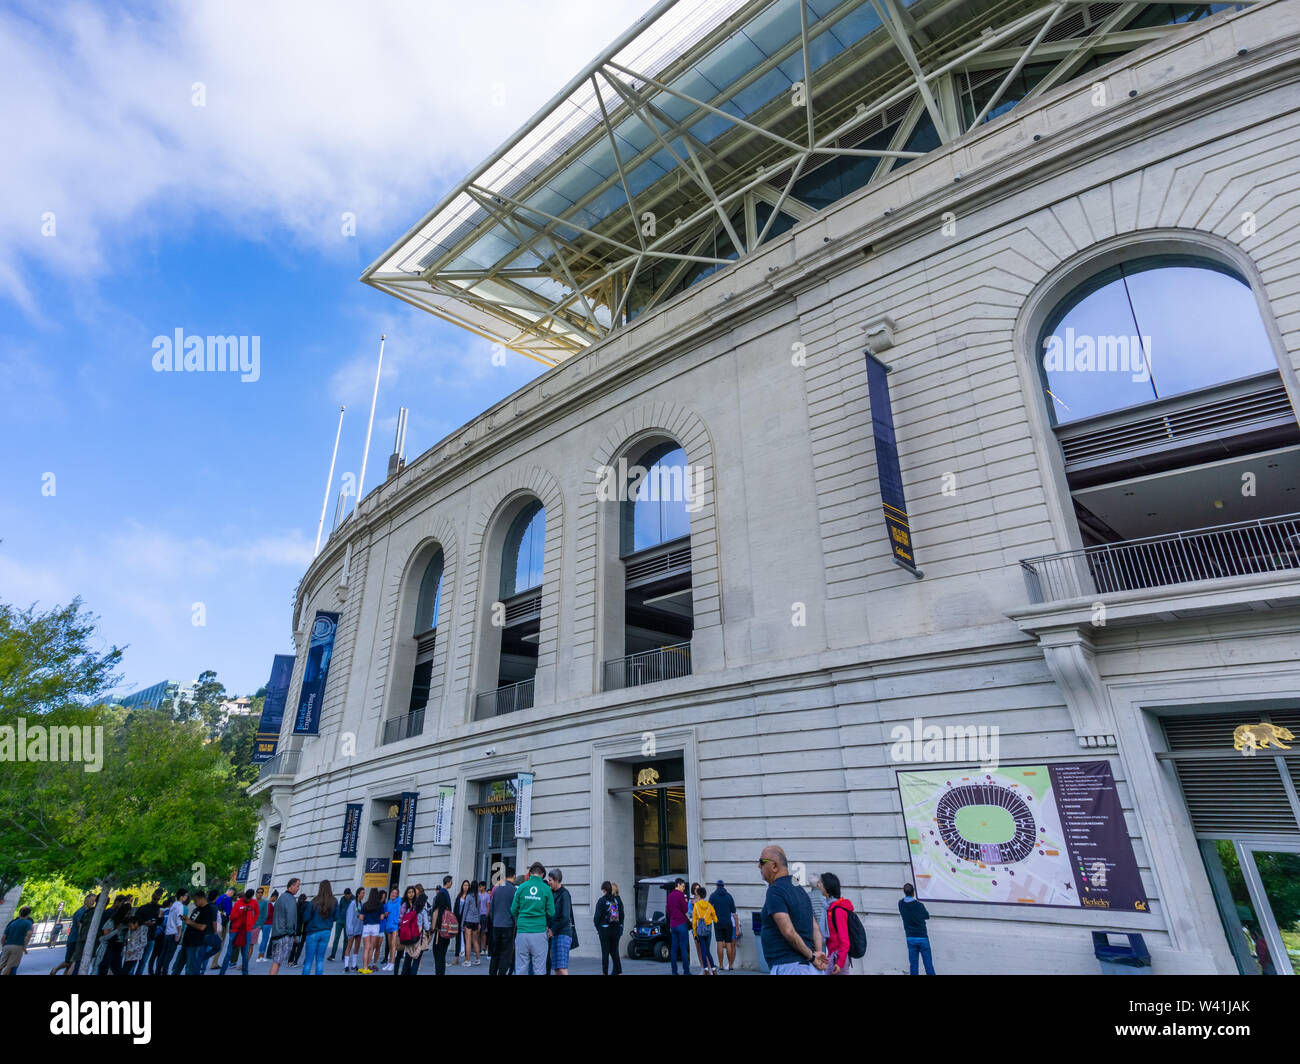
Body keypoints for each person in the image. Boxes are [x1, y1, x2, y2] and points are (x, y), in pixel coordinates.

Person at [758, 845, 827, 975]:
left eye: (762, 862)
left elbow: (788, 931)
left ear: (774, 866)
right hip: (808, 968)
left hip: (790, 967)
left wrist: (813, 957)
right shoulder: (800, 890)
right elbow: (815, 928)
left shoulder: (775, 890)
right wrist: (817, 956)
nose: (759, 866)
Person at [510, 862, 554, 975]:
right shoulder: (546, 889)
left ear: (530, 873)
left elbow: (513, 910)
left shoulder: (521, 887)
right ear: (542, 874)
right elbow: (551, 912)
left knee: (521, 968)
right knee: (539, 969)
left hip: (522, 932)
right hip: (539, 932)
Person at [51, 893, 96, 976]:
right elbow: (80, 926)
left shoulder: (88, 912)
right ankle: (55, 969)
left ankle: (61, 971)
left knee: (72, 963)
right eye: (91, 900)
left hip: (76, 939)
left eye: (94, 901)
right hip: (74, 939)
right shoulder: (81, 912)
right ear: (86, 900)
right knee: (69, 961)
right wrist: (82, 939)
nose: (93, 903)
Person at [298, 880, 336, 975]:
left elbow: (306, 917)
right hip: (326, 932)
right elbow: (336, 917)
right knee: (320, 960)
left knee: (308, 961)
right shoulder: (334, 901)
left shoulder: (314, 901)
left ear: (320, 888)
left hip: (313, 932)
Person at [821, 872, 854, 975]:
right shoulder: (829, 908)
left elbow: (845, 941)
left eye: (821, 883)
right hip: (832, 956)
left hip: (838, 958)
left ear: (827, 888)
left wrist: (839, 963)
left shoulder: (838, 910)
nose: (819, 885)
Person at [220, 889, 260, 975]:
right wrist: (243, 911)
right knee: (229, 953)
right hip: (236, 930)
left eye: (249, 899)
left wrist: (252, 923)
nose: (248, 901)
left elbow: (257, 913)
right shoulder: (238, 903)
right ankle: (222, 972)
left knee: (245, 954)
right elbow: (232, 917)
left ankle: (245, 973)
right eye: (247, 898)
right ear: (244, 896)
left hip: (247, 931)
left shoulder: (254, 902)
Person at [899, 883, 934, 975]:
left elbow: (903, 901)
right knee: (928, 966)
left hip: (910, 938)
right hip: (922, 938)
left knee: (913, 966)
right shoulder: (919, 905)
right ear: (913, 893)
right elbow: (927, 916)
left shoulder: (901, 904)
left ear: (904, 892)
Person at [268, 878, 300, 975]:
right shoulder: (290, 899)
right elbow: (291, 919)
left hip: (277, 933)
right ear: (291, 886)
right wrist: (293, 934)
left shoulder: (281, 898)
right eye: (297, 885)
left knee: (276, 962)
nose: (298, 888)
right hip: (283, 935)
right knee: (277, 963)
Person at [181, 892, 218, 976]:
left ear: (201, 898)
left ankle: (202, 971)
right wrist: (187, 920)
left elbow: (209, 924)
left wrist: (215, 934)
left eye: (195, 900)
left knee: (193, 965)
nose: (194, 902)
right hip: (189, 941)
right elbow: (193, 922)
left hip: (201, 939)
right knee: (188, 965)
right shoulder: (198, 908)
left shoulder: (210, 908)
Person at [395, 885, 430, 976]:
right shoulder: (423, 911)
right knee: (416, 961)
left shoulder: (411, 909)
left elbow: (402, 920)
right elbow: (426, 926)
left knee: (408, 958)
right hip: (419, 936)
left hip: (410, 935)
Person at [487, 871, 517, 975]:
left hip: (496, 925)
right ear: (514, 876)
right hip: (508, 926)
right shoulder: (514, 890)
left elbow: (491, 910)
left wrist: (494, 921)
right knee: (506, 955)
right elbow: (514, 911)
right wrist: (514, 923)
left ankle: (492, 973)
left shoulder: (497, 890)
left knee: (495, 954)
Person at [546, 869, 575, 975]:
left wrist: (553, 930)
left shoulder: (565, 894)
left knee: (562, 968)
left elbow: (565, 917)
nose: (548, 883)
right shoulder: (552, 893)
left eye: (550, 880)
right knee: (557, 968)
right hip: (555, 933)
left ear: (557, 880)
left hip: (563, 934)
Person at [97, 897, 133, 975]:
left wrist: (129, 931)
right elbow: (104, 937)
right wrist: (116, 930)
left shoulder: (126, 923)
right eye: (127, 913)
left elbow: (128, 938)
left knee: (118, 970)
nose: (128, 915)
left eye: (129, 914)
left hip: (118, 948)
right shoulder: (112, 921)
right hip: (109, 948)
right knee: (103, 969)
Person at [593, 881, 623, 976]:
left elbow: (596, 918)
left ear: (604, 889)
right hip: (615, 930)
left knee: (605, 953)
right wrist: (620, 926)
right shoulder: (617, 900)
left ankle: (604, 973)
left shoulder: (601, 900)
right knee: (614, 953)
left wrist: (599, 928)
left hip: (604, 930)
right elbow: (622, 915)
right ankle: (619, 972)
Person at [131, 889, 163, 975]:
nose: (156, 900)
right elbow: (135, 921)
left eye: (158, 899)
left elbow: (160, 922)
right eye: (155, 898)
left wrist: (160, 917)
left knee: (143, 961)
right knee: (134, 959)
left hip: (151, 937)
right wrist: (145, 923)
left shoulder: (159, 909)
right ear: (152, 896)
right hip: (140, 936)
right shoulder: (143, 908)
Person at [709, 881, 738, 972]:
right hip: (728, 922)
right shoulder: (729, 896)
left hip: (717, 922)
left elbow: (709, 908)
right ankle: (730, 965)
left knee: (719, 943)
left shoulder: (713, 896)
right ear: (724, 886)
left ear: (717, 886)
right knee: (728, 943)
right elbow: (733, 911)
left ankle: (721, 965)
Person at [429, 876, 454, 976]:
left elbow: (436, 912)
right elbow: (442, 912)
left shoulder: (441, 894)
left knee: (439, 954)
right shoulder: (444, 894)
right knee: (441, 954)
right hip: (444, 928)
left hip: (441, 929)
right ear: (448, 882)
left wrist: (434, 927)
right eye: (451, 882)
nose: (452, 883)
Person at [0, 905, 35, 975]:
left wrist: (4, 946)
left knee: (1, 965)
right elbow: (29, 934)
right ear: (28, 914)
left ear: (19, 913)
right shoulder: (28, 923)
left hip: (7, 946)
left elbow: (3, 937)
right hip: (17, 946)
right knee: (9, 967)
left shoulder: (12, 923)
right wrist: (24, 946)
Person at [691, 884, 718, 974]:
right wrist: (709, 919)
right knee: (707, 950)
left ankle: (706, 969)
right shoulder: (709, 905)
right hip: (708, 931)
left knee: (703, 950)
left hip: (700, 932)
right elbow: (715, 919)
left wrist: (695, 934)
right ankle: (713, 969)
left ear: (698, 895)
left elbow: (694, 923)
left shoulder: (696, 906)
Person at [359, 888, 386, 974]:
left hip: (367, 927)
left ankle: (364, 967)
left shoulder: (365, 905)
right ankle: (367, 966)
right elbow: (382, 917)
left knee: (366, 948)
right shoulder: (380, 905)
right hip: (375, 927)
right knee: (371, 948)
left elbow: (361, 917)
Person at [667, 878, 691, 975]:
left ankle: (674, 972)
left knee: (674, 949)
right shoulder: (681, 895)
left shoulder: (670, 896)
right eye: (683, 886)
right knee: (684, 948)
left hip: (673, 925)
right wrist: (685, 901)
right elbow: (685, 910)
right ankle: (686, 971)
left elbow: (668, 910)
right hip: (681, 924)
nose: (684, 888)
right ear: (678, 885)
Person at [211, 887, 236, 969]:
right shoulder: (228, 899)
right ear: (230, 891)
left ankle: (212, 962)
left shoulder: (220, 897)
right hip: (223, 923)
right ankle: (214, 963)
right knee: (220, 943)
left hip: (216, 922)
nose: (232, 895)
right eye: (232, 893)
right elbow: (229, 912)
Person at [458, 880, 481, 966]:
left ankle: (467, 960)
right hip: (475, 921)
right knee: (475, 941)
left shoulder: (468, 897)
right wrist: (478, 922)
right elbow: (479, 911)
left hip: (468, 920)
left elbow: (465, 910)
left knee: (468, 941)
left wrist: (462, 923)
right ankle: (478, 959)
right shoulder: (478, 897)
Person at [343, 884, 365, 972]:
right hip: (352, 929)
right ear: (358, 894)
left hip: (359, 929)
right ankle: (346, 966)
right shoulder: (352, 904)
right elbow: (349, 917)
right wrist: (350, 930)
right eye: (362, 893)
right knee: (349, 946)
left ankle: (354, 965)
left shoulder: (361, 904)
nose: (363, 895)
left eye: (364, 893)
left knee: (357, 947)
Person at [328, 888, 352, 963]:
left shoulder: (353, 900)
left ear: (349, 894)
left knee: (346, 939)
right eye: (344, 895)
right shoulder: (342, 898)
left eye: (346, 895)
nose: (345, 896)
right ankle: (332, 955)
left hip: (347, 922)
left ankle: (344, 956)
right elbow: (339, 908)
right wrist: (338, 917)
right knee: (336, 938)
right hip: (340, 921)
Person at [382, 887, 401, 971]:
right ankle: (389, 963)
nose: (393, 894)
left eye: (395, 893)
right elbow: (386, 913)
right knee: (390, 945)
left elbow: (400, 914)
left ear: (397, 894)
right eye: (392, 892)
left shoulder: (399, 902)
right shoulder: (389, 902)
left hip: (395, 926)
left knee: (393, 945)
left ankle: (392, 963)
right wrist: (386, 915)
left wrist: (396, 922)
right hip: (388, 926)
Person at [452, 880, 470, 964]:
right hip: (457, 920)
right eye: (464, 885)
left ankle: (466, 958)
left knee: (466, 940)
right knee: (458, 939)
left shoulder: (469, 897)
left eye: (467, 885)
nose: (465, 887)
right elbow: (455, 908)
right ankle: (456, 958)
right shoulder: (459, 896)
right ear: (462, 886)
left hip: (466, 920)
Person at [257, 890, 277, 961]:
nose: (275, 900)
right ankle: (259, 956)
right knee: (264, 940)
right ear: (274, 897)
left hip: (264, 923)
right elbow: (267, 914)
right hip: (267, 923)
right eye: (275, 898)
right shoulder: (269, 904)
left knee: (264, 940)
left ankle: (261, 956)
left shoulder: (266, 903)